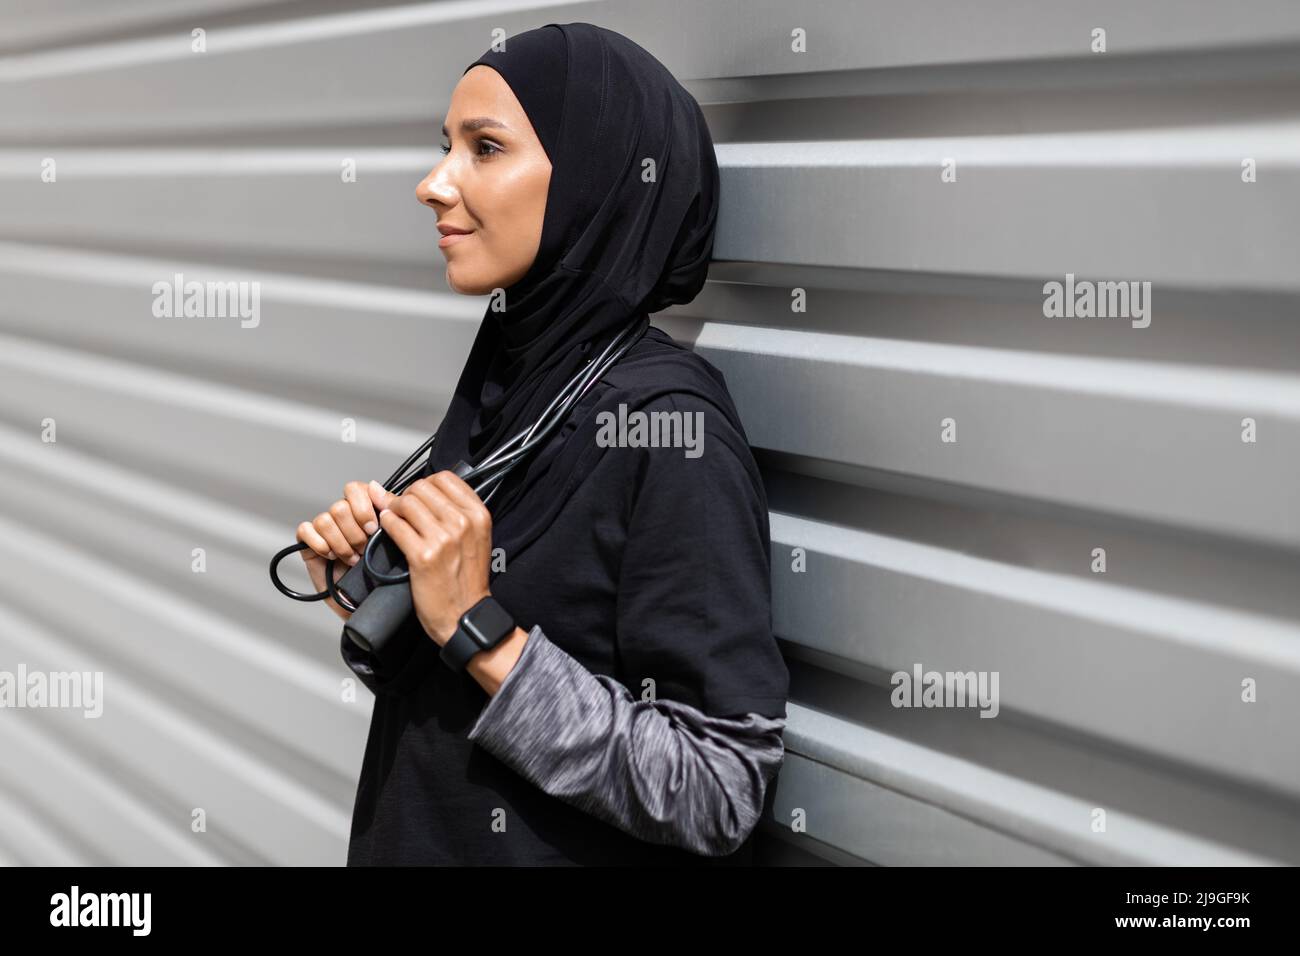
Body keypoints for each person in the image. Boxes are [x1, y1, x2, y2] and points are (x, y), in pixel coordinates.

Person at [296, 22, 790, 866]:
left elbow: (719, 786)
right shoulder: (511, 383)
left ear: (598, 180)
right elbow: (464, 720)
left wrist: (478, 629)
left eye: (485, 148)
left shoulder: (668, 426)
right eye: (445, 146)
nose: (432, 184)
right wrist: (377, 590)